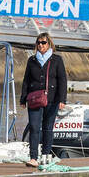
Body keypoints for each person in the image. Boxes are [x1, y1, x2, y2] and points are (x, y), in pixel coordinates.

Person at [21, 32, 68, 168]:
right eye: (39, 43)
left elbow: (62, 80)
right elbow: (26, 80)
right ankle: (33, 158)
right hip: (35, 99)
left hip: (52, 99)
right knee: (34, 127)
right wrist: (23, 99)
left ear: (49, 44)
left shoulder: (57, 60)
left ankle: (46, 156)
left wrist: (62, 99)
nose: (41, 45)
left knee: (48, 128)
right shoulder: (32, 60)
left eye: (43, 43)